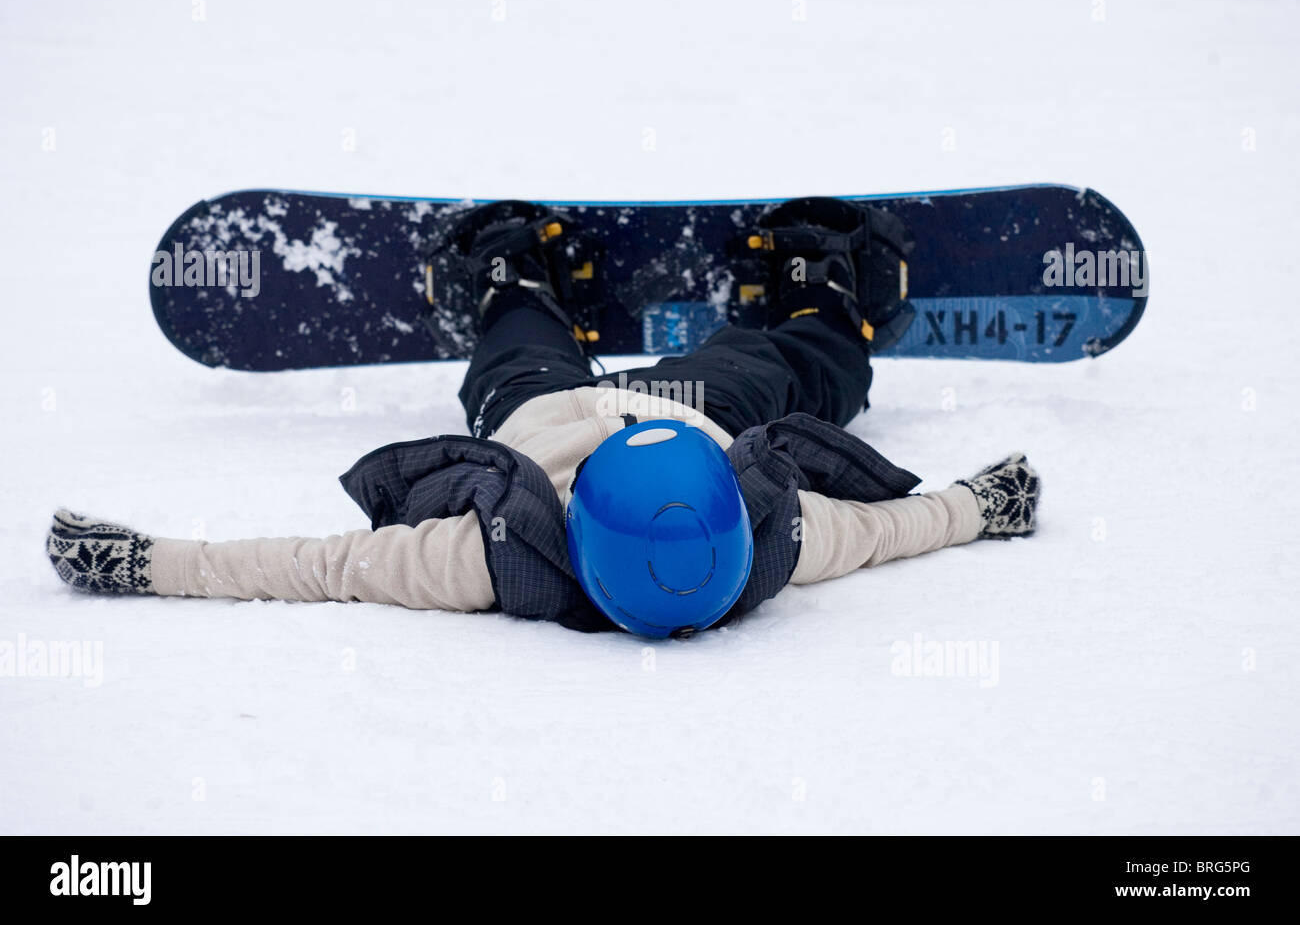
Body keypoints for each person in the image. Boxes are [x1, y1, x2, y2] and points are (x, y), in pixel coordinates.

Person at [47, 198, 1040, 637]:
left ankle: (515, 284)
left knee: (515, 352)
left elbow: (311, 565)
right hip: (690, 405)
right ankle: (821, 297)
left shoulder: (490, 551)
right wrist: (978, 502)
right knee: (776, 367)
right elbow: (891, 527)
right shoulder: (772, 532)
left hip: (539, 412)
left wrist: (152, 562)